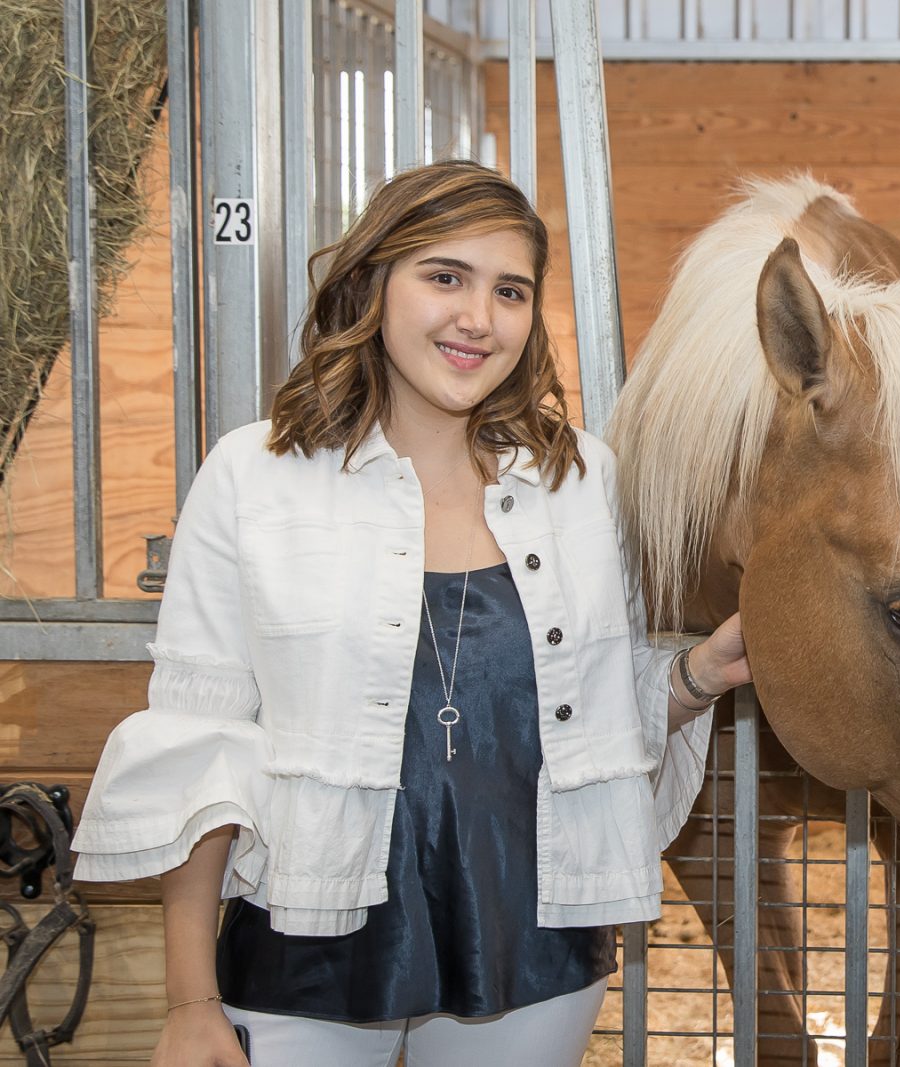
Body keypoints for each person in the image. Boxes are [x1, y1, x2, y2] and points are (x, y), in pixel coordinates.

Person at [71, 160, 748, 1066]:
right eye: (445, 277)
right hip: (305, 949)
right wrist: (191, 1001)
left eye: (510, 290)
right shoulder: (253, 477)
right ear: (372, 283)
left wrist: (700, 675)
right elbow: (201, 744)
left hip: (534, 946)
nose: (478, 318)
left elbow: (589, 714)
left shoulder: (580, 481)